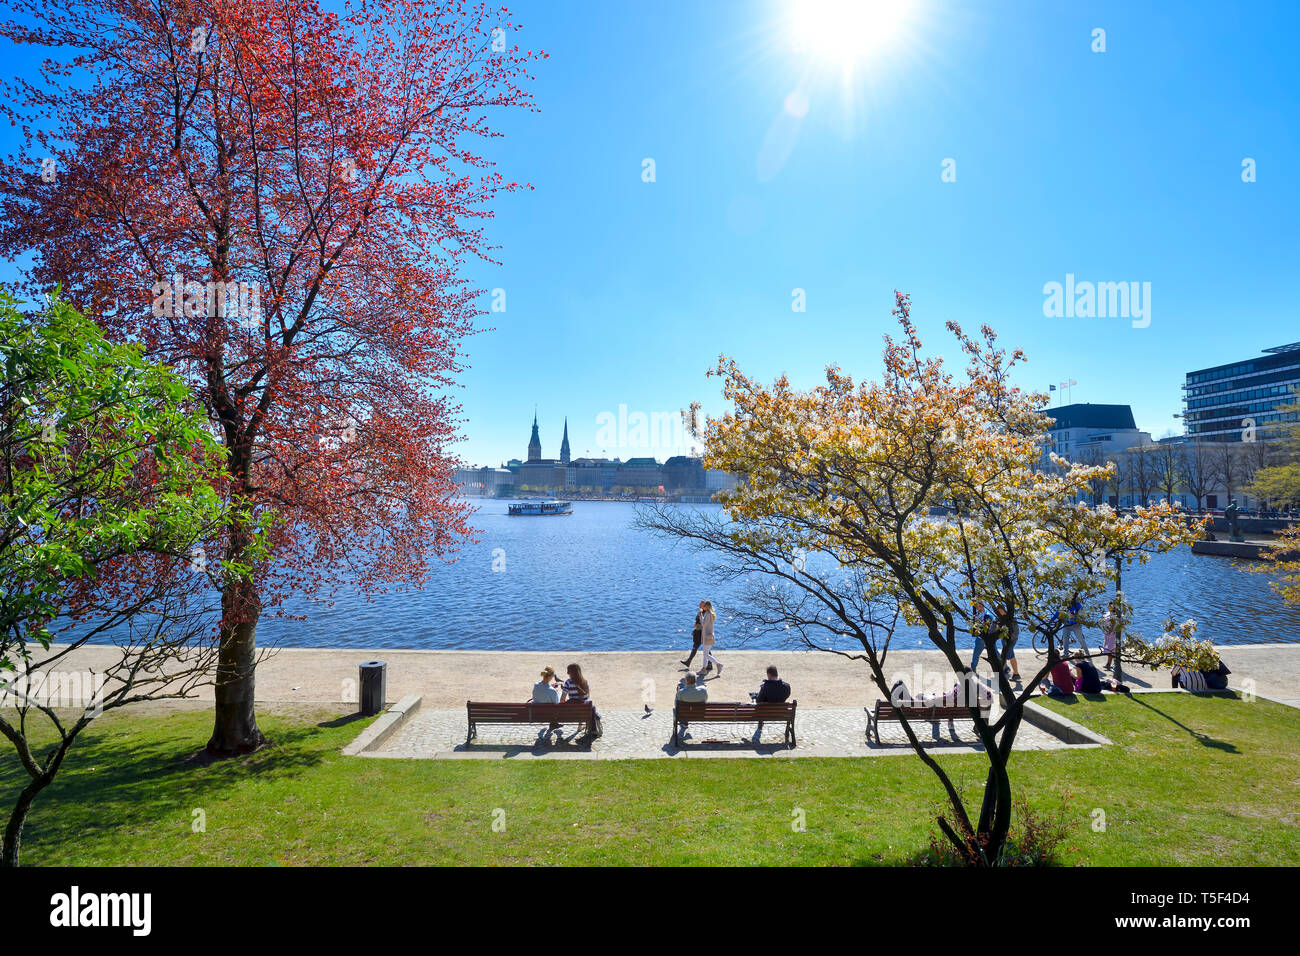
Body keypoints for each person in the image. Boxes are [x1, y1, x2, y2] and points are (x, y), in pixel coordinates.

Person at [561, 663, 602, 737]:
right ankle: (582, 726)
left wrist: (569, 701)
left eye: (568, 671)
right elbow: (586, 697)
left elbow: (562, 700)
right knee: (584, 704)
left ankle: (580, 726)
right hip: (584, 712)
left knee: (576, 704)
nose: (567, 673)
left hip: (572, 712)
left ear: (570, 673)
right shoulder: (585, 682)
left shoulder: (568, 683)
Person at [993, 602, 1021, 683]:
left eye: (998, 611)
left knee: (1005, 655)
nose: (998, 613)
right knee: (1009, 655)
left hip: (1012, 640)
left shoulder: (1011, 618)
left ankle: (1002, 674)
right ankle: (1016, 674)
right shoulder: (998, 618)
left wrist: (1010, 640)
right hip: (1004, 639)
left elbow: (1016, 631)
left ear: (1002, 609)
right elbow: (993, 627)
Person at [675, 671, 708, 739]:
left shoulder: (681, 692)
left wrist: (678, 692)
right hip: (699, 714)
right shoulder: (703, 690)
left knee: (681, 706)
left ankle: (684, 722)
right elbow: (705, 699)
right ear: (695, 680)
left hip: (685, 714)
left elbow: (676, 705)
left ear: (686, 681)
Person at [698, 600, 722, 677]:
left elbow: (704, 624)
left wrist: (700, 616)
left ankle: (718, 664)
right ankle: (704, 669)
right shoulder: (709, 614)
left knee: (705, 654)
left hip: (707, 637)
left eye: (704, 606)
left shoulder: (708, 614)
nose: (703, 607)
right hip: (708, 636)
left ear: (707, 607)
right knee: (706, 654)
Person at [969, 601, 994, 671]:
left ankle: (1004, 667)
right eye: (977, 606)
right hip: (980, 639)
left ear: (983, 606)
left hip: (988, 639)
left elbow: (991, 626)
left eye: (980, 605)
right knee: (976, 655)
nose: (978, 607)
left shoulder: (988, 615)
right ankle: (973, 669)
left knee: (995, 654)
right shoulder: (976, 615)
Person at [680, 601, 705, 668]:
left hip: (701, 632)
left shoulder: (705, 613)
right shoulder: (700, 611)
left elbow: (704, 623)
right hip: (698, 631)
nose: (699, 605)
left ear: (704, 605)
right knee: (699, 647)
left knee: (699, 647)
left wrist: (697, 625)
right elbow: (697, 620)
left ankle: (688, 661)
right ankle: (688, 661)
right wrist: (695, 625)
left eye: (701, 604)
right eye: (699, 604)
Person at [1100, 599, 1120, 670]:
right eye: (1108, 606)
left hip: (1113, 634)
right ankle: (1109, 664)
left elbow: (1116, 624)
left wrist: (1112, 630)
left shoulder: (1116, 615)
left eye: (1109, 606)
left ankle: (1114, 664)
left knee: (1111, 649)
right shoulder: (1107, 614)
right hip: (1107, 634)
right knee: (1109, 650)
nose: (1108, 607)